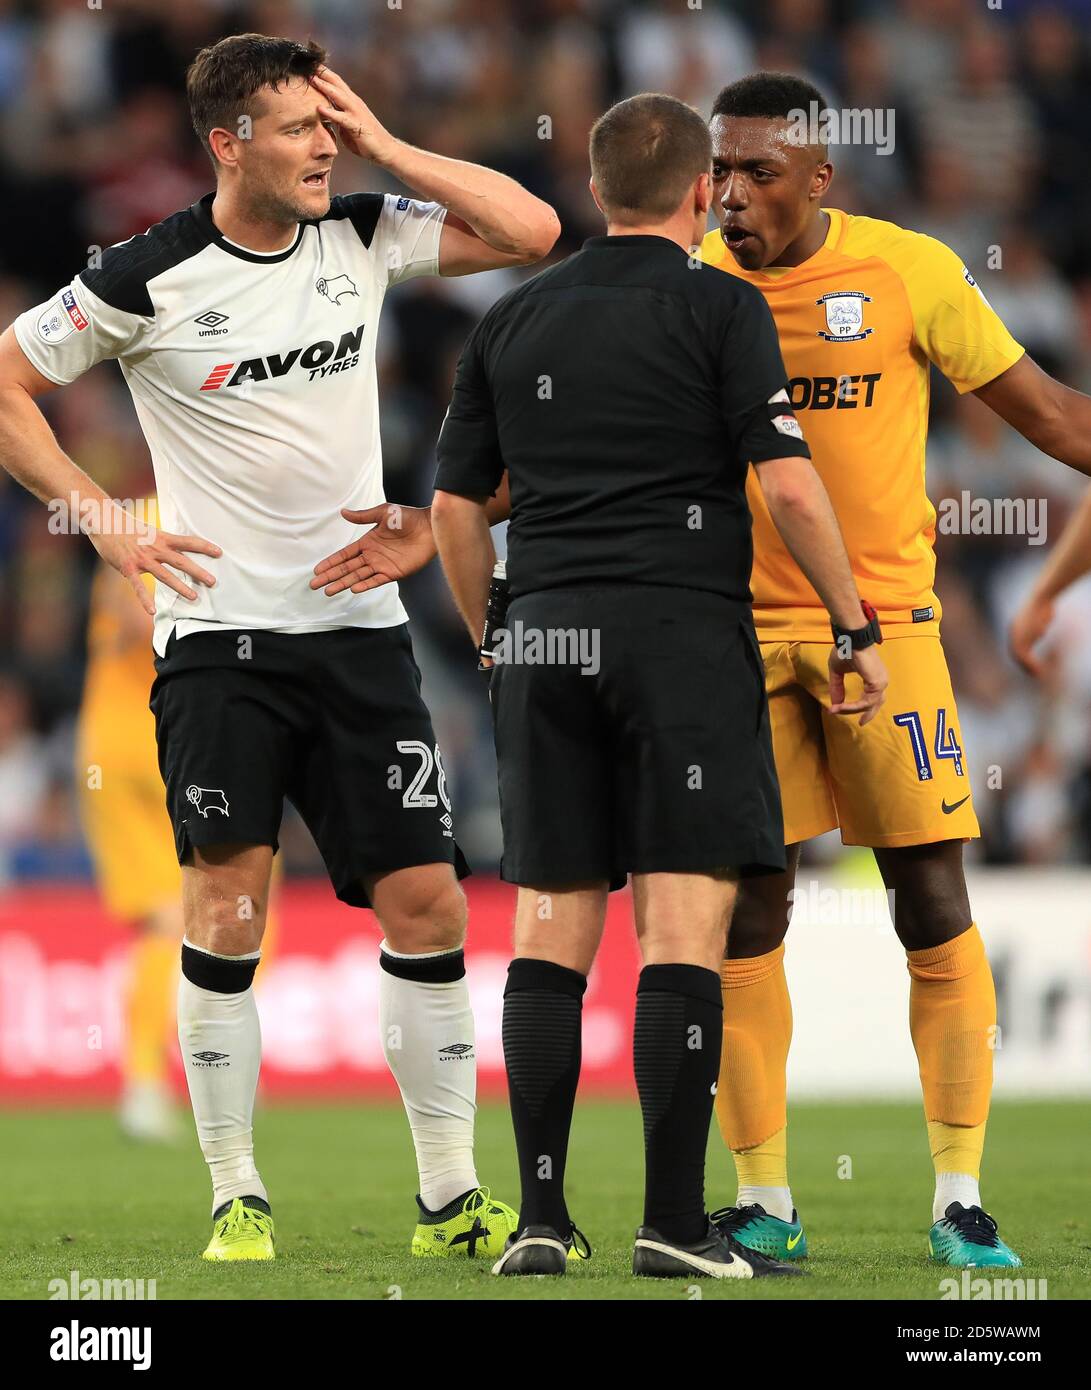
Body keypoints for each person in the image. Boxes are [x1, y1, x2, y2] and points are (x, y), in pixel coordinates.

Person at [0, 31, 559, 1263]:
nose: (324, 146)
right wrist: (101, 521)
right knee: (225, 908)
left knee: (427, 903)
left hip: (358, 636)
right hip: (220, 641)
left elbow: (530, 231)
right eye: (301, 127)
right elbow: (7, 383)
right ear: (227, 143)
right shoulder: (145, 275)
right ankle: (236, 1193)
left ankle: (448, 1196)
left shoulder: (361, 233)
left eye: (329, 123)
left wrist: (386, 144)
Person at [429, 92, 886, 1280]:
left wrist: (494, 636)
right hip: (679, 638)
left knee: (549, 929)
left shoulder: (511, 317)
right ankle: (673, 1224)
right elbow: (787, 484)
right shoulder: (722, 306)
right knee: (680, 929)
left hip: (544, 641)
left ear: (592, 190)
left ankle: (539, 1217)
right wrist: (853, 623)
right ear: (698, 192)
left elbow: (452, 511)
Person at [698, 71, 1091, 1269]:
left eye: (757, 172)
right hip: (730, 635)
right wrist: (451, 502)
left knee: (929, 898)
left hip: (888, 631)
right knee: (748, 909)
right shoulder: (687, 279)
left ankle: (957, 1197)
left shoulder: (907, 270)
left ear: (820, 178)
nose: (729, 193)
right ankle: (763, 1198)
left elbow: (1052, 419)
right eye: (717, 169)